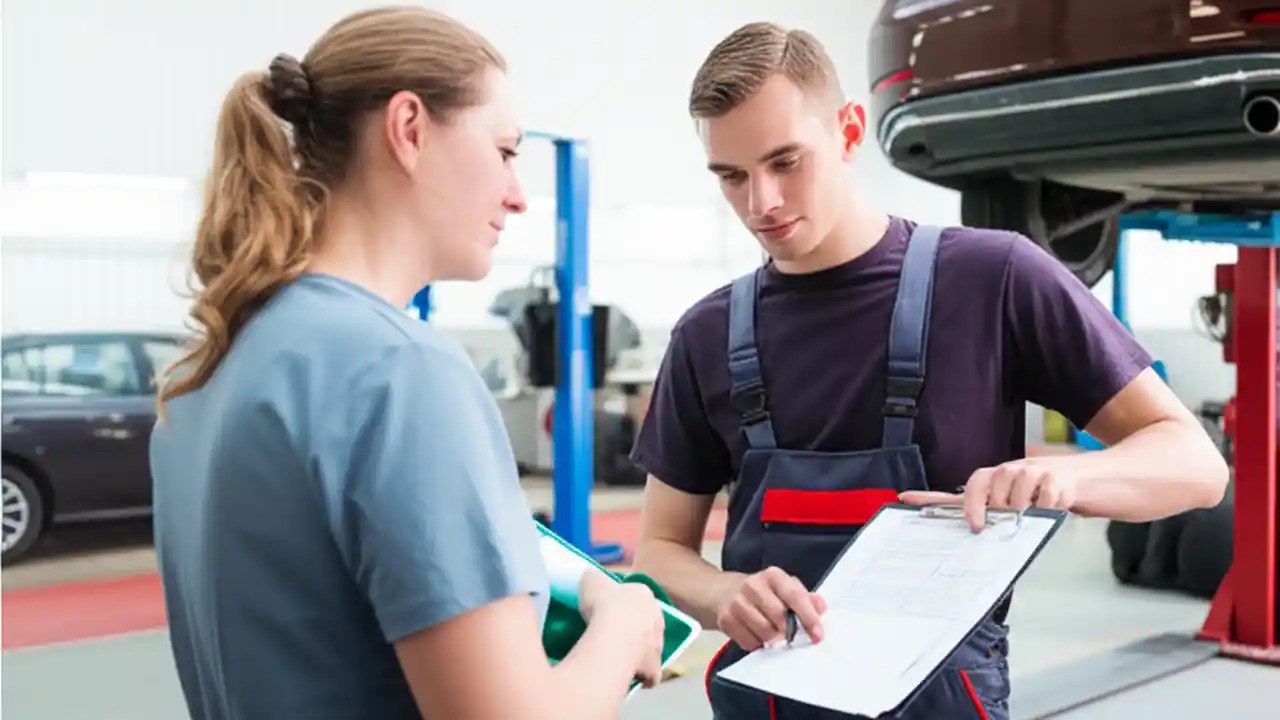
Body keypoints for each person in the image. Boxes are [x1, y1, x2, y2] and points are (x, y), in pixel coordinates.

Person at [627, 21, 1231, 720]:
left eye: (786, 161)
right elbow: (661, 550)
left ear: (850, 132)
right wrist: (720, 594)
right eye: (732, 176)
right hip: (766, 703)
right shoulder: (707, 335)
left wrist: (1065, 479)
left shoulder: (993, 280)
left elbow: (1196, 465)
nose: (761, 202)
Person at [150, 7, 665, 720]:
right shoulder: (402, 371)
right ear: (410, 129)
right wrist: (625, 624)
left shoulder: (209, 368)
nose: (517, 194)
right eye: (507, 150)